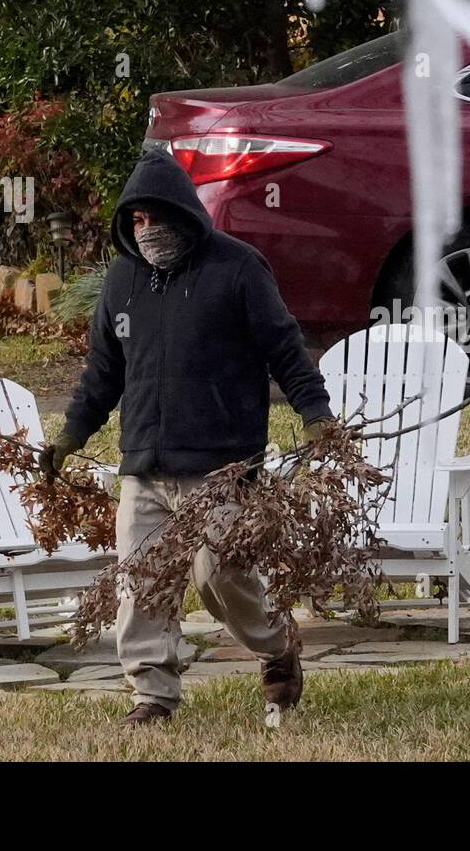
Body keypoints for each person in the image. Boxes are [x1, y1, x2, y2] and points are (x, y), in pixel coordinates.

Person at [41, 150, 335, 726]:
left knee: (220, 576)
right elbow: (104, 371)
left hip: (221, 465)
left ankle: (277, 649)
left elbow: (284, 347)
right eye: (135, 220)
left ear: (184, 213)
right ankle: (152, 696)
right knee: (141, 584)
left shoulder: (239, 269)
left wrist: (315, 413)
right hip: (144, 466)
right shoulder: (123, 280)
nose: (145, 229)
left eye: (155, 217)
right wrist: (71, 435)